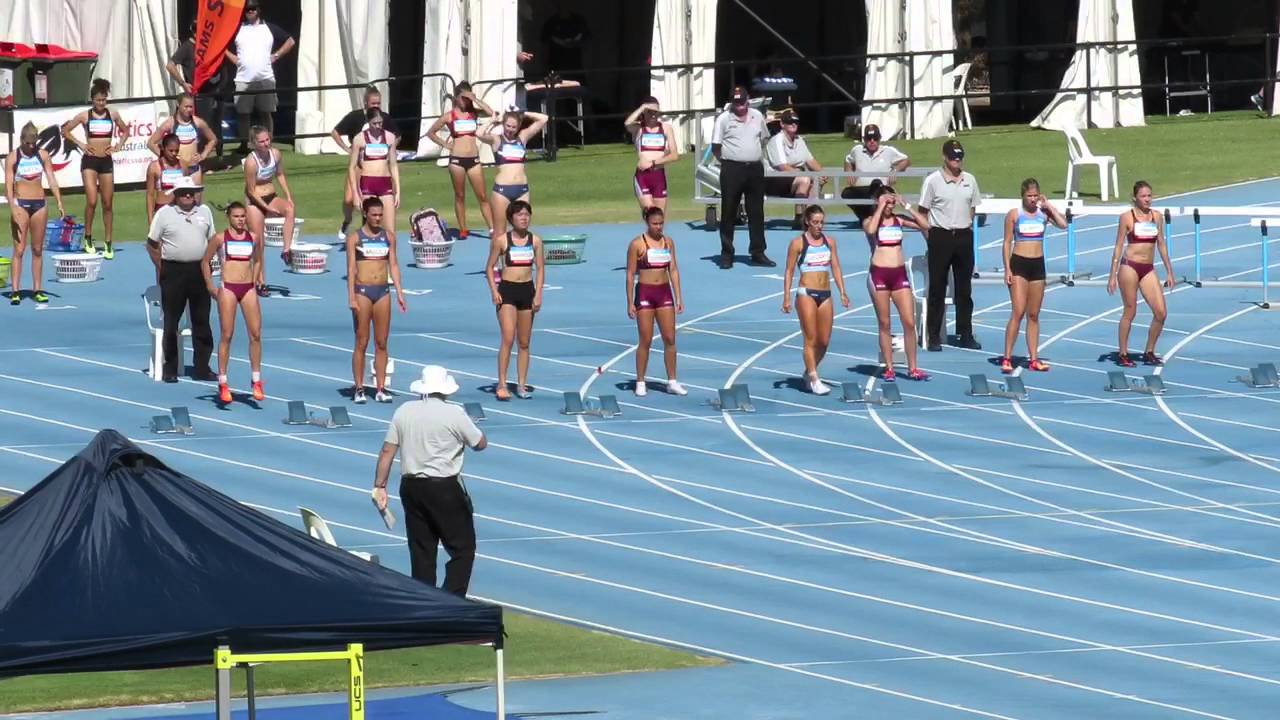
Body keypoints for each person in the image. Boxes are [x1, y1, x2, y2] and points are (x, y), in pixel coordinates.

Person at [373, 364, 487, 596]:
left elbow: (387, 451)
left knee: (421, 551)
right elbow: (479, 443)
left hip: (411, 487)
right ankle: (452, 600)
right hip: (444, 487)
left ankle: (425, 602)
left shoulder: (404, 410)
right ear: (446, 389)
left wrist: (380, 485)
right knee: (462, 549)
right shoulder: (454, 413)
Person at [911, 139, 981, 351]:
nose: (956, 159)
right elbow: (922, 213)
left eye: (959, 155)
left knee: (964, 289)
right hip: (940, 236)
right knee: (937, 288)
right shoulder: (933, 181)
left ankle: (965, 333)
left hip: (963, 237)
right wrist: (930, 237)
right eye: (952, 156)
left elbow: (973, 208)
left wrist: (966, 227)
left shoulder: (970, 180)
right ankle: (934, 335)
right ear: (944, 157)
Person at [146, 177, 216, 383]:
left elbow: (212, 240)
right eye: (184, 191)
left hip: (199, 270)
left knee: (202, 320)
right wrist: (162, 267)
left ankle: (202, 367)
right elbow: (151, 243)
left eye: (191, 192)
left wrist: (209, 265)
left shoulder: (205, 211)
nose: (188, 195)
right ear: (176, 194)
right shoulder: (164, 213)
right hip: (173, 271)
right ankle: (170, 368)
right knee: (171, 321)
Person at [782, 206, 851, 395]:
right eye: (815, 222)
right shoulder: (798, 243)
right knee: (810, 338)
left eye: (822, 222)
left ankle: (808, 371)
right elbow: (789, 270)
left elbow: (836, 267)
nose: (819, 226)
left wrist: (843, 292)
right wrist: (787, 296)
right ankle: (814, 377)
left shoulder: (830, 242)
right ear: (807, 222)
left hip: (826, 294)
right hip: (807, 293)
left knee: (824, 340)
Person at [1000, 178, 1067, 373]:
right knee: (1018, 311)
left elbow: (1063, 224)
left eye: (1035, 196)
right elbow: (1006, 242)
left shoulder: (1043, 214)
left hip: (1037, 265)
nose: (1032, 199)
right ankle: (1007, 357)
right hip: (1019, 263)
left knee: (1034, 314)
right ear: (1022, 196)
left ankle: (1034, 358)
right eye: (1029, 196)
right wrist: (1007, 269)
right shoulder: (1014, 215)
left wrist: (1049, 206)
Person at [863, 185, 928, 382]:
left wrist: (906, 205)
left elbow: (926, 225)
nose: (890, 205)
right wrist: (880, 207)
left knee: (909, 322)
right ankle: (889, 368)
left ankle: (913, 367)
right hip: (879, 275)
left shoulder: (899, 220)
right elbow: (872, 229)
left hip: (899, 275)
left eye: (891, 202)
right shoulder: (869, 221)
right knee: (885, 323)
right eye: (886, 201)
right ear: (877, 202)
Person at [201, 202, 265, 404]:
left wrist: (254, 280)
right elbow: (205, 261)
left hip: (247, 289)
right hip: (227, 288)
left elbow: (258, 259)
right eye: (237, 216)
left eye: (243, 216)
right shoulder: (220, 238)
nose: (241, 220)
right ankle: (223, 382)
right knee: (227, 334)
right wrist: (210, 285)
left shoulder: (253, 238)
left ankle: (256, 380)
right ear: (229, 217)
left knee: (255, 334)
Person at [346, 197, 408, 404]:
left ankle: (381, 387)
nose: (378, 218)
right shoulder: (355, 238)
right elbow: (351, 269)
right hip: (362, 292)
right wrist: (351, 297)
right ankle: (359, 387)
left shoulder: (389, 237)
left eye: (380, 215)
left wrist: (399, 292)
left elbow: (394, 265)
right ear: (365, 214)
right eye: (374, 214)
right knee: (361, 341)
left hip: (382, 292)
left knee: (382, 342)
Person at [1107, 181, 1175, 368]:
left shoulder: (1157, 217)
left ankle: (1149, 351)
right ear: (1135, 198)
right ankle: (1123, 353)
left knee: (1161, 312)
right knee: (1130, 311)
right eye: (1143, 196)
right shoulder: (1126, 218)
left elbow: (1161, 244)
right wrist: (1112, 275)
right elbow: (1119, 246)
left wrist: (1169, 271)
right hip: (1129, 267)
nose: (1147, 199)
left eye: (1149, 196)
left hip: (1148, 269)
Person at [483, 200, 545, 401]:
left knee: (525, 342)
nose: (524, 218)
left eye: (527, 214)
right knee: (508, 337)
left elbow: (541, 268)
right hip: (507, 291)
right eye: (519, 215)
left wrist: (538, 293)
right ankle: (501, 383)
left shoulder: (535, 241)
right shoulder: (502, 241)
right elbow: (489, 268)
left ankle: (521, 384)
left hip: (527, 290)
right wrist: (494, 291)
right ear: (511, 219)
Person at [625, 207, 687, 397]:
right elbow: (629, 275)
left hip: (664, 293)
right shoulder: (637, 244)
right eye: (655, 223)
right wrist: (629, 302)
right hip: (645, 293)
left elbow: (673, 270)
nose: (658, 227)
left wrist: (678, 296)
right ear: (647, 222)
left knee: (670, 338)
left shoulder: (668, 242)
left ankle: (672, 381)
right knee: (645, 339)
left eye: (661, 223)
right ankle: (641, 381)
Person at [61, 78, 125, 259]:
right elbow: (65, 130)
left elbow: (125, 130)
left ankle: (108, 243)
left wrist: (118, 145)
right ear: (92, 100)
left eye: (104, 100)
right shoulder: (84, 116)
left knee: (108, 202)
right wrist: (81, 144)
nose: (101, 103)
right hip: (89, 161)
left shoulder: (113, 114)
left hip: (106, 161)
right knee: (91, 200)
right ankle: (88, 237)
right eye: (98, 100)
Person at [425, 82, 495, 239]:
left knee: (482, 195)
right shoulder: (449, 116)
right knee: (460, 195)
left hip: (474, 159)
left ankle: (491, 228)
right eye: (464, 97)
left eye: (469, 97)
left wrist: (476, 100)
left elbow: (491, 113)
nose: (467, 101)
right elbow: (431, 133)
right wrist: (446, 145)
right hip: (457, 159)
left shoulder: (473, 112)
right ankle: (463, 229)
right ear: (457, 98)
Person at [4, 122, 64, 306]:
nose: (31, 147)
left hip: (39, 204)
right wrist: (13, 208)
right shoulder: (13, 157)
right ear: (22, 140)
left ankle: (37, 289)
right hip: (21, 204)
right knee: (20, 249)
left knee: (37, 249)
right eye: (28, 143)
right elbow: (8, 185)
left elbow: (51, 179)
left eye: (34, 143)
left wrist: (59, 201)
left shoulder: (43, 155)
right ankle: (15, 290)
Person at [712, 87, 772, 269]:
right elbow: (716, 145)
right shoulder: (723, 119)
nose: (740, 106)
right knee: (729, 210)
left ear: (748, 100)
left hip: (754, 167)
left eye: (742, 101)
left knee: (756, 211)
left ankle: (758, 251)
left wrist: (752, 154)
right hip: (732, 167)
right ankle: (727, 253)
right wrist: (727, 160)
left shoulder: (757, 116)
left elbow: (764, 138)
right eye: (736, 102)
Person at [332, 86, 400, 239]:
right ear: (365, 103)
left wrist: (389, 150)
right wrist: (347, 149)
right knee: (349, 198)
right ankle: (348, 220)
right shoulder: (355, 117)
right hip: (358, 164)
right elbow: (335, 132)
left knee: (376, 210)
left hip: (378, 166)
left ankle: (371, 237)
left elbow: (396, 136)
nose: (376, 106)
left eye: (379, 104)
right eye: (373, 103)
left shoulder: (384, 119)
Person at [225, 0, 295, 144]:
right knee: (243, 114)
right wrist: (234, 59)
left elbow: (290, 41)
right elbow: (221, 45)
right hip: (243, 79)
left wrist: (276, 55)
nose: (250, 11)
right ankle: (245, 145)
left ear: (259, 10)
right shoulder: (237, 28)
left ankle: (268, 143)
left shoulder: (269, 27)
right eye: (247, 9)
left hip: (265, 78)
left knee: (266, 113)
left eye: (253, 8)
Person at [243, 126, 296, 296]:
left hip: (271, 195)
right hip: (255, 202)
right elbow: (251, 190)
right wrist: (266, 208)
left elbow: (280, 174)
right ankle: (260, 282)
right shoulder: (251, 162)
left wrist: (288, 196)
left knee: (290, 209)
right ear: (254, 144)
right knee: (259, 244)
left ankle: (286, 250)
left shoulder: (276, 154)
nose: (266, 144)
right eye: (261, 141)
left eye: (267, 140)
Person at [479, 109, 548, 239]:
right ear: (503, 124)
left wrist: (524, 113)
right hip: (502, 191)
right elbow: (479, 133)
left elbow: (544, 119)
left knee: (522, 230)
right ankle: (499, 259)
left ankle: (520, 259)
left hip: (522, 190)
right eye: (508, 126)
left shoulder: (522, 137)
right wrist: (491, 121)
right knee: (500, 233)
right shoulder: (497, 140)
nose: (510, 129)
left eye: (514, 127)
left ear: (518, 127)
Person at [764, 110, 825, 229]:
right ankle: (799, 217)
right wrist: (806, 174)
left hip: (794, 177)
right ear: (782, 124)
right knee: (805, 179)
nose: (793, 124)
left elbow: (810, 161)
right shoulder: (777, 140)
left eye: (796, 122)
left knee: (817, 179)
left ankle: (811, 218)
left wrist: (823, 174)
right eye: (790, 122)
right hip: (773, 179)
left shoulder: (799, 140)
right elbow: (782, 166)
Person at [347, 108, 401, 238]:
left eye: (380, 123)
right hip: (367, 185)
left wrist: (398, 190)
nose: (378, 126)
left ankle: (390, 256)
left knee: (390, 231)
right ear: (368, 122)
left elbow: (393, 164)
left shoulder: (389, 137)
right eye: (374, 123)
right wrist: (355, 193)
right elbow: (351, 167)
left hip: (385, 184)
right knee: (370, 229)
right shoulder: (359, 139)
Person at [624, 97, 679, 217]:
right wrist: (643, 107)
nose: (653, 115)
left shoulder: (666, 128)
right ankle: (649, 236)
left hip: (658, 176)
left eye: (656, 112)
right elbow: (627, 123)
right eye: (650, 112)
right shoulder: (638, 128)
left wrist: (654, 163)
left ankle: (658, 236)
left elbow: (674, 155)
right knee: (650, 214)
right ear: (644, 112)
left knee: (659, 217)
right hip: (643, 176)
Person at [841, 124, 910, 220]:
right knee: (846, 193)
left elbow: (906, 160)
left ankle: (874, 218)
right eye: (869, 138)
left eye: (875, 138)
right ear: (864, 139)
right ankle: (865, 217)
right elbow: (848, 160)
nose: (872, 141)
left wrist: (895, 170)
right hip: (861, 190)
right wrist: (849, 172)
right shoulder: (857, 150)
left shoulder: (888, 151)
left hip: (881, 189)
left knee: (876, 186)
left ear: (880, 138)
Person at [148, 94, 217, 176]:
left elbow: (213, 139)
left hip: (193, 168)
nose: (188, 109)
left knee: (196, 189)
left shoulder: (198, 122)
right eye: (186, 106)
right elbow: (151, 143)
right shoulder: (170, 123)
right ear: (178, 104)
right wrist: (166, 157)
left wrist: (203, 156)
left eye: (191, 107)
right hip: (176, 168)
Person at [145, 133, 190, 224]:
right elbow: (150, 195)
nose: (174, 154)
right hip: (161, 210)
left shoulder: (183, 165)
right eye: (171, 150)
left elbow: (187, 191)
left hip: (180, 210)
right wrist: (150, 220)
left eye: (176, 150)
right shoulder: (154, 167)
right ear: (163, 148)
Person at [541, 1, 591, 78]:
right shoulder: (551, 22)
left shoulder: (579, 20)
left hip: (575, 63)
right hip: (556, 63)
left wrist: (575, 41)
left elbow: (586, 37)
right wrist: (561, 42)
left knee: (576, 85)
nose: (564, 5)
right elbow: (544, 41)